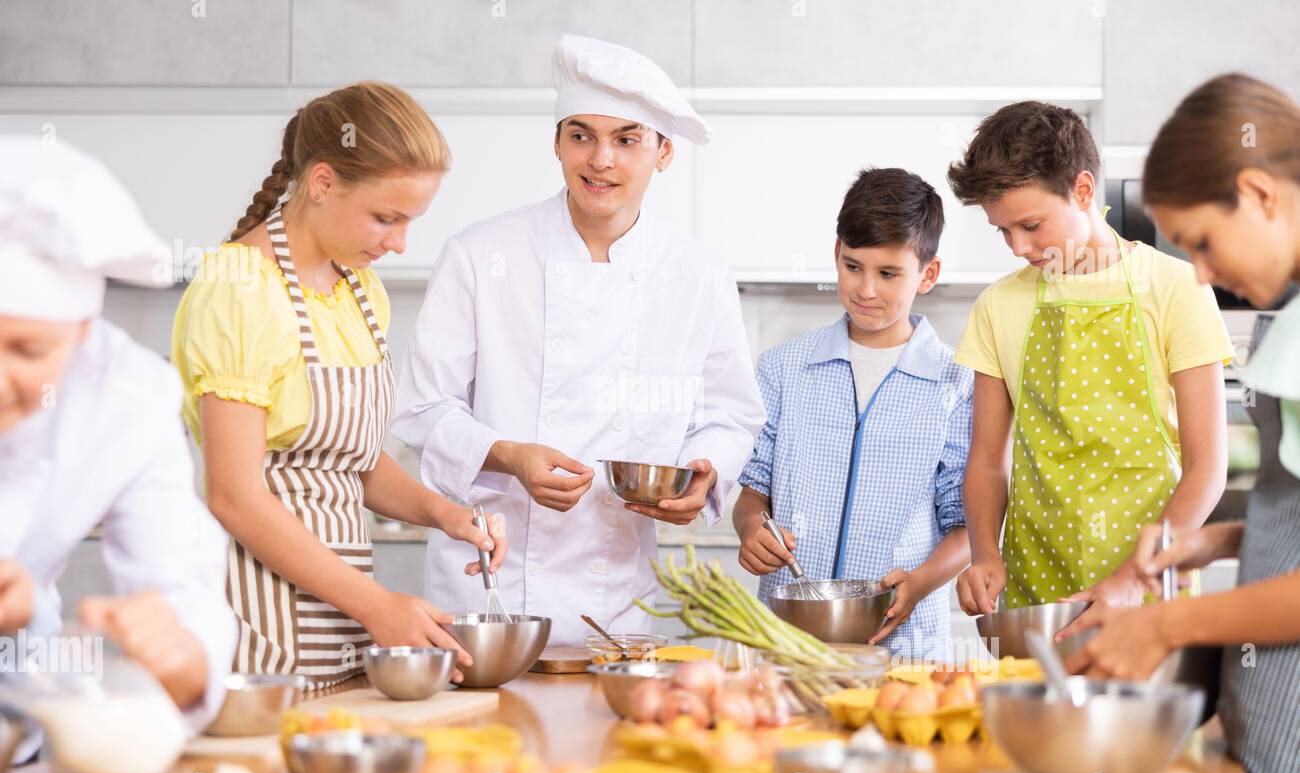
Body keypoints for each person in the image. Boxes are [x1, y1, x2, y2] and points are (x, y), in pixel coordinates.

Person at [391, 36, 765, 645]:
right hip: (491, 591)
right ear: (557, 142)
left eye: (627, 139)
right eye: (581, 135)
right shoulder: (482, 255)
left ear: (664, 152)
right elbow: (421, 409)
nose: (601, 161)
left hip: (618, 602)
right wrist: (507, 455)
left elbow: (730, 416)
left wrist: (704, 474)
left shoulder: (699, 276)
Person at [171, 83, 505, 688]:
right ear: (322, 183)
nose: (399, 242)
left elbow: (353, 462)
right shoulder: (240, 289)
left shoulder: (358, 287)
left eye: (410, 221)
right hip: (257, 629)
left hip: (345, 623)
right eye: (386, 217)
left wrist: (446, 514)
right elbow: (233, 495)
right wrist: (377, 605)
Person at [1062, 73, 1300, 773]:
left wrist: (1166, 628)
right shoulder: (1285, 313)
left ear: (1260, 193)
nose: (1200, 271)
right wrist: (1217, 540)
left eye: (1201, 240)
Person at [947, 101, 1234, 617]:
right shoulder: (998, 304)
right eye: (1003, 231)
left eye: (1031, 225)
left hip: (1147, 589)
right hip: (1035, 586)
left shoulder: (1176, 288)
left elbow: (1207, 466)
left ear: (1082, 191)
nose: (1017, 247)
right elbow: (988, 460)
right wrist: (985, 553)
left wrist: (1129, 579)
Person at [0, 135, 235, 759]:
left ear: (81, 333)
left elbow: (181, 586)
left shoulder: (124, 400)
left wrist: (179, 653)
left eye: (27, 351)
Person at [733, 168, 972, 659]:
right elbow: (754, 492)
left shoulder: (958, 382)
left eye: (888, 273)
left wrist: (921, 582)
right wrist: (750, 529)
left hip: (903, 644)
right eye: (852, 266)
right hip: (787, 640)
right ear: (836, 254)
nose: (865, 289)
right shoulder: (783, 368)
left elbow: (970, 525)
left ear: (928, 274)